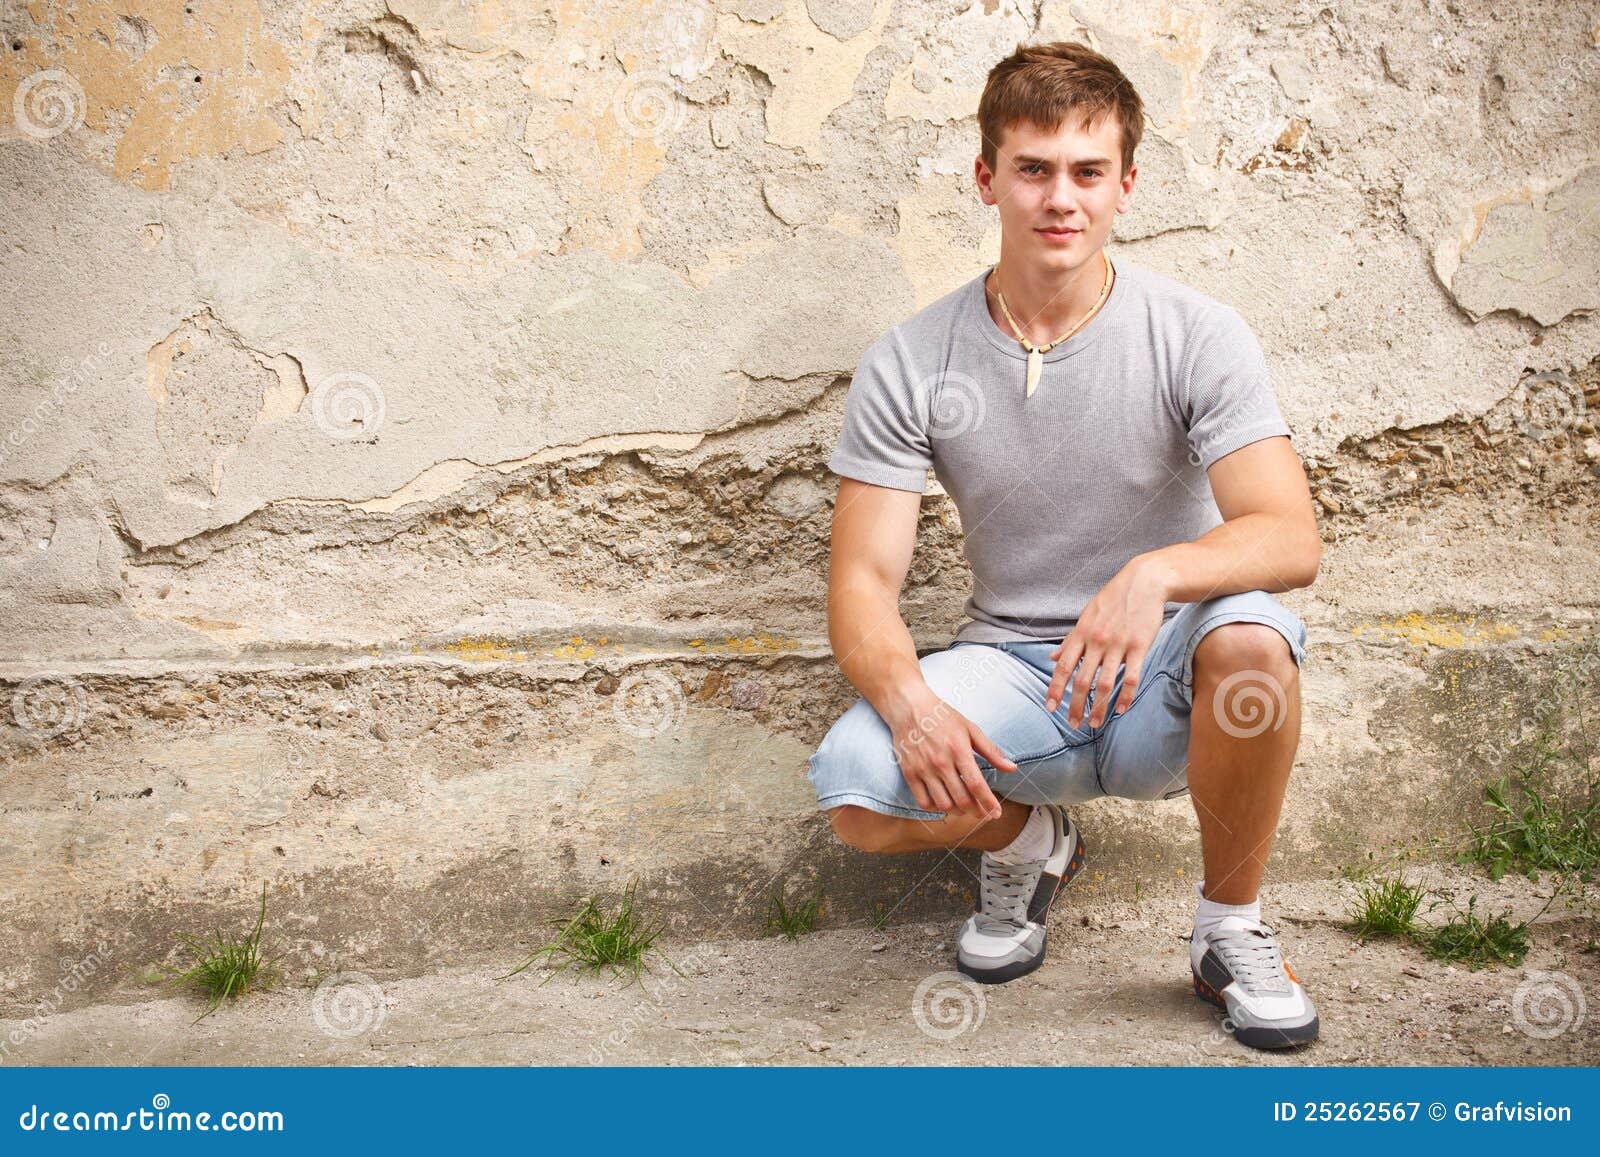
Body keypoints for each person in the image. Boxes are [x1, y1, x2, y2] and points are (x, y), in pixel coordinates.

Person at [806, 40, 1322, 1050]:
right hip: (1014, 677)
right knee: (857, 793)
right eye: (1033, 168)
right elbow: (862, 579)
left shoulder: (1195, 332)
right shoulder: (913, 358)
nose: (1060, 198)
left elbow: (1288, 533)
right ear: (986, 176)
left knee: (1255, 642)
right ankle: (1031, 839)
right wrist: (912, 706)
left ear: (1125, 185)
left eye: (1087, 172)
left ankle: (1227, 927)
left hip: (1162, 666)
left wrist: (1156, 572)